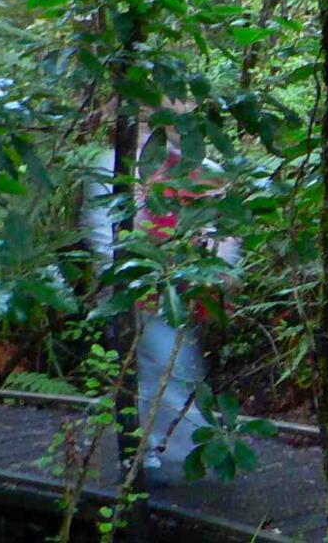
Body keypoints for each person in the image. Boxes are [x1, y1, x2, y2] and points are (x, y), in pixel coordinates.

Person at [82, 118, 238, 488]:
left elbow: (222, 227)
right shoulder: (114, 166)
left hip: (179, 291)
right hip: (137, 290)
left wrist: (217, 272)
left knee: (167, 367)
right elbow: (105, 233)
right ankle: (163, 458)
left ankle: (159, 456)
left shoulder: (196, 168)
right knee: (163, 366)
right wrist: (135, 276)